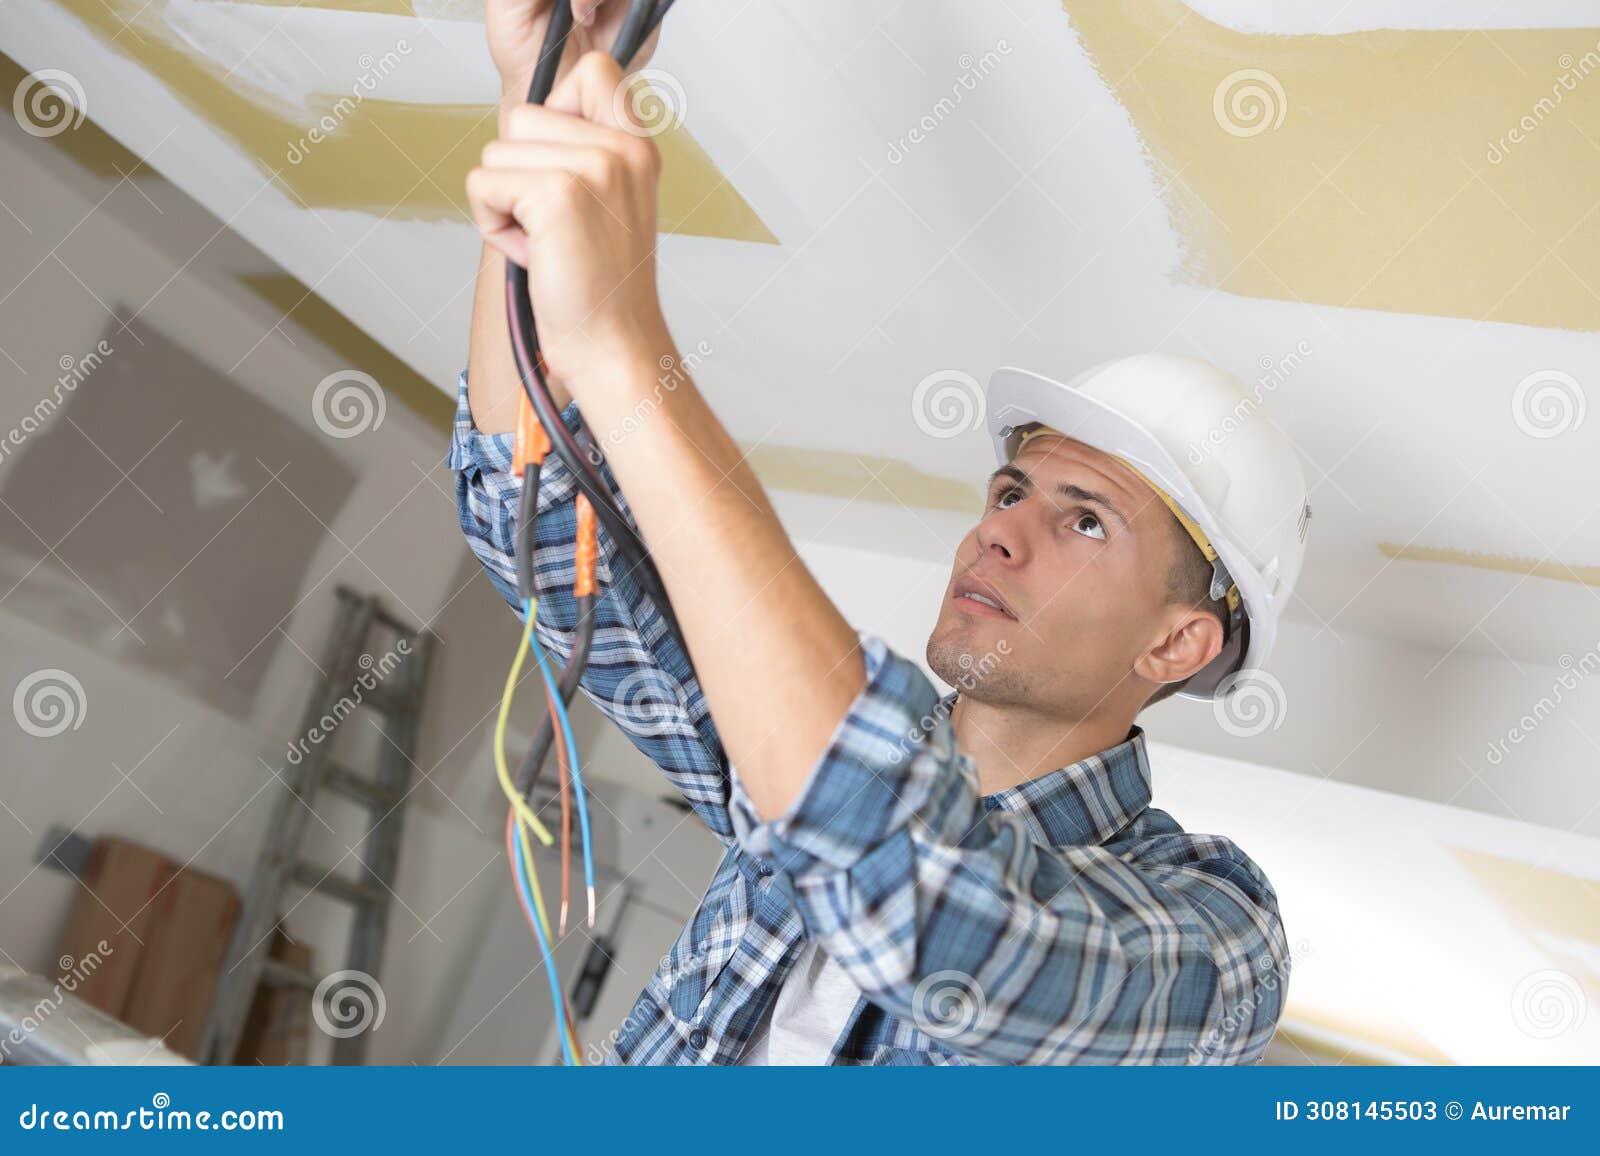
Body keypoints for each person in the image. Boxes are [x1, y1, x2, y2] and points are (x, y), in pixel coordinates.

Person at [449, 0, 1310, 1065]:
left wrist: (625, 349)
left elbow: (939, 917)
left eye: (1085, 520)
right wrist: (541, 101)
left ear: (1177, 643)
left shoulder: (1217, 942)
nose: (1000, 536)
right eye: (1009, 492)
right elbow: (535, 523)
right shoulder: (796, 746)